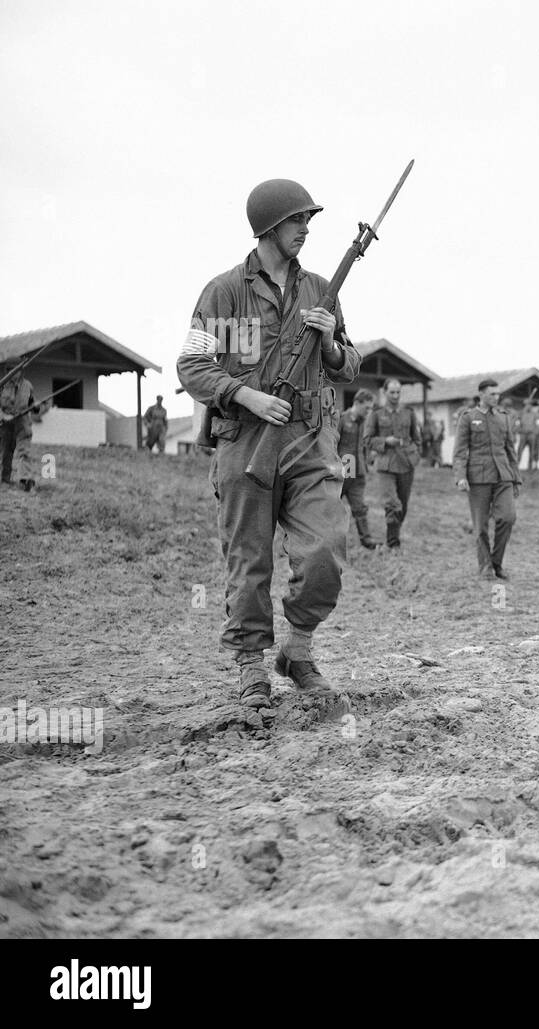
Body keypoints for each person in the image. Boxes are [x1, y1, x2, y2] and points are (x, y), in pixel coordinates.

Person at [177, 176, 360, 708]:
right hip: (246, 442)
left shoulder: (321, 289)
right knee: (249, 560)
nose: (306, 229)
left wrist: (328, 342)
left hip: (309, 441)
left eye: (308, 221)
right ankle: (251, 666)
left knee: (325, 548)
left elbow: (349, 366)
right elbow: (192, 366)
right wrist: (245, 396)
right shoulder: (223, 292)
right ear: (270, 227)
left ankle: (298, 649)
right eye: (298, 220)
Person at [453, 378, 521, 579]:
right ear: (481, 395)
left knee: (508, 518)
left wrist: (516, 479)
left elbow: (511, 450)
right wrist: (460, 477)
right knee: (480, 525)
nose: (496, 397)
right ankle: (486, 566)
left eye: (498, 393)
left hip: (503, 476)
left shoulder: (504, 417)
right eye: (492, 393)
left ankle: (496, 562)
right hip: (478, 478)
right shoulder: (468, 417)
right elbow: (459, 451)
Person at [364, 377, 421, 548]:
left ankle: (394, 534)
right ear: (384, 392)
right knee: (392, 503)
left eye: (398, 392)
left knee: (402, 505)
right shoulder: (376, 414)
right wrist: (385, 441)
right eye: (392, 392)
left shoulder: (409, 413)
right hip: (386, 464)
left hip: (406, 463)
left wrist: (415, 456)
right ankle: (393, 543)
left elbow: (417, 438)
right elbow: (367, 440)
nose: (395, 395)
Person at [338, 388, 377, 550]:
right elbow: (332, 444)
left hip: (358, 473)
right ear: (356, 403)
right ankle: (330, 541)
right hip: (341, 474)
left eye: (370, 409)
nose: (368, 412)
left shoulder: (366, 423)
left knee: (359, 507)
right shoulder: (341, 419)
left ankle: (367, 541)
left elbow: (366, 444)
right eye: (366, 408)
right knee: (331, 508)